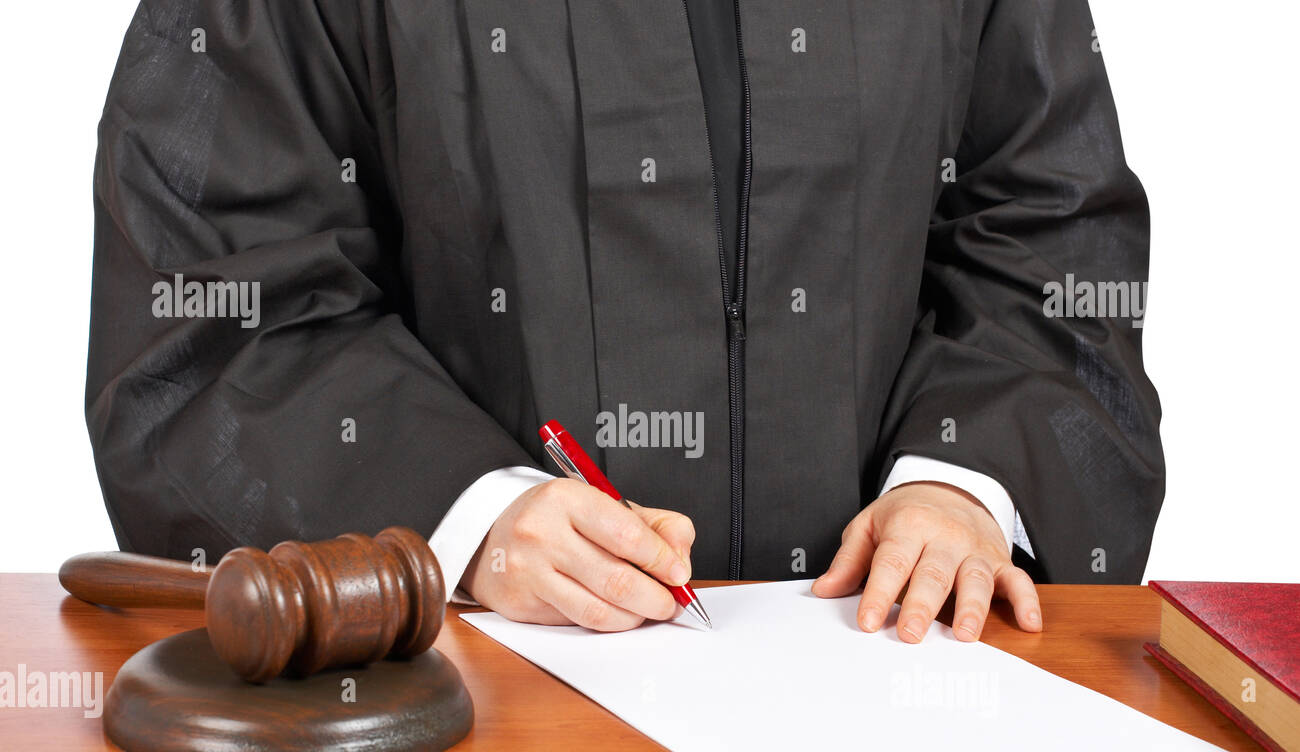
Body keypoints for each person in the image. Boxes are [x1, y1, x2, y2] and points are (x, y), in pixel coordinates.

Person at [85, 1, 1162, 643]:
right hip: (476, 723)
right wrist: (463, 523)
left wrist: (964, 480)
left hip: (895, 698)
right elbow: (213, 304)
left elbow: (1047, 228)